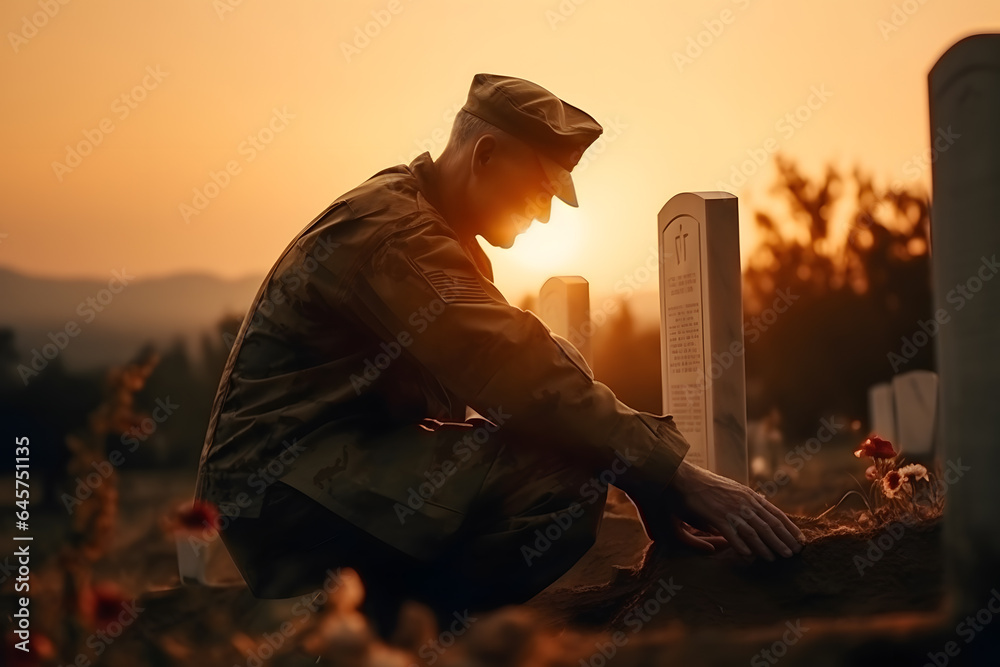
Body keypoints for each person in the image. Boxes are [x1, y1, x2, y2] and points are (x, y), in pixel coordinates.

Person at [191, 72, 805, 638]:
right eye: (539, 188)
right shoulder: (400, 235)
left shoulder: (426, 221)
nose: (544, 213)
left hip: (315, 473)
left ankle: (384, 623)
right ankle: (405, 637)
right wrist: (674, 475)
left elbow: (530, 365)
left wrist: (647, 483)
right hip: (282, 494)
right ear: (485, 155)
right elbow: (515, 372)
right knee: (565, 477)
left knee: (568, 402)